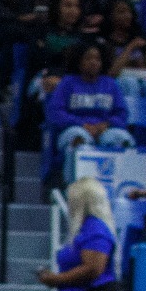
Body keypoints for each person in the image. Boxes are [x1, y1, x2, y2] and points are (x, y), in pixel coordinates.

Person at [46, 43, 131, 186]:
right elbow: (55, 112)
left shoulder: (110, 84)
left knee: (122, 139)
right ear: (79, 62)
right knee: (79, 139)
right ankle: (73, 188)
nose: (93, 62)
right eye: (88, 58)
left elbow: (122, 113)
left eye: (97, 59)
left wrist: (106, 124)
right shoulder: (67, 83)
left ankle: (121, 188)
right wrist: (82, 124)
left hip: (105, 130)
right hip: (74, 128)